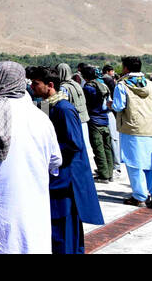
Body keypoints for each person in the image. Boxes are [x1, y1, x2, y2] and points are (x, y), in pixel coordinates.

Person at [0, 62, 61, 254]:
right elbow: (55, 160)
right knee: (31, 242)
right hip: (35, 196)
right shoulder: (41, 116)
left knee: (1, 242)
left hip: (1, 195)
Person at [30, 68, 103, 254]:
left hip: (66, 177)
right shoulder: (49, 106)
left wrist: (46, 152)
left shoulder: (64, 109)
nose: (32, 87)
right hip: (58, 174)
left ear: (50, 85)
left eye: (36, 83)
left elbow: (74, 143)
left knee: (63, 226)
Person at [112, 56, 152, 207]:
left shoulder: (122, 85)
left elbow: (118, 106)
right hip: (150, 128)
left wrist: (109, 103)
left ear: (125, 68)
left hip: (131, 129)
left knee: (134, 163)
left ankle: (140, 196)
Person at [80, 65, 114, 183]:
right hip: (104, 118)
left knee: (98, 148)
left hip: (94, 120)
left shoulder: (88, 88)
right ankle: (109, 172)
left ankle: (103, 174)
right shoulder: (103, 85)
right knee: (107, 147)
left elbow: (86, 103)